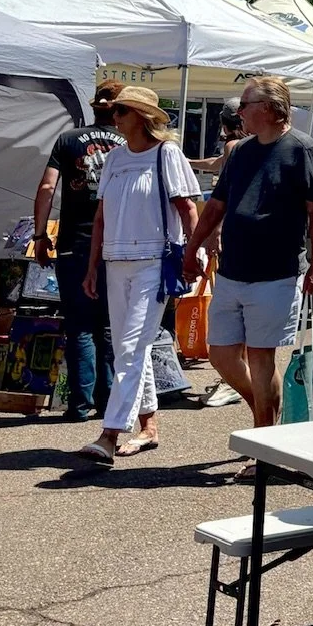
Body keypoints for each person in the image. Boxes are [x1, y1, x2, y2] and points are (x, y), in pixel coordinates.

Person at [182, 73, 313, 452]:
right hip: (233, 269)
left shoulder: (301, 149)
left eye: (244, 105)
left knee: (262, 357)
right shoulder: (241, 152)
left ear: (267, 109)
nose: (238, 112)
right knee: (221, 354)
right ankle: (267, 422)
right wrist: (192, 246)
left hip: (276, 273)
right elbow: (216, 205)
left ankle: (264, 445)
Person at [77, 86, 200, 466]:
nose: (115, 118)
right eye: (113, 111)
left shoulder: (167, 154)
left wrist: (194, 253)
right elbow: (101, 218)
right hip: (115, 261)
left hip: (153, 260)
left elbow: (188, 209)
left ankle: (109, 433)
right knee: (133, 347)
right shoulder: (114, 159)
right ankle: (148, 427)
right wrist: (92, 266)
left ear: (142, 116)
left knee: (131, 346)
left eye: (121, 112)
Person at [33, 80, 124, 421]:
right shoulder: (132, 142)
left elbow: (46, 187)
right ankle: (110, 401)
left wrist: (41, 236)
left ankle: (80, 404)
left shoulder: (68, 140)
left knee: (80, 324)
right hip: (117, 243)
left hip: (75, 242)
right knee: (110, 324)